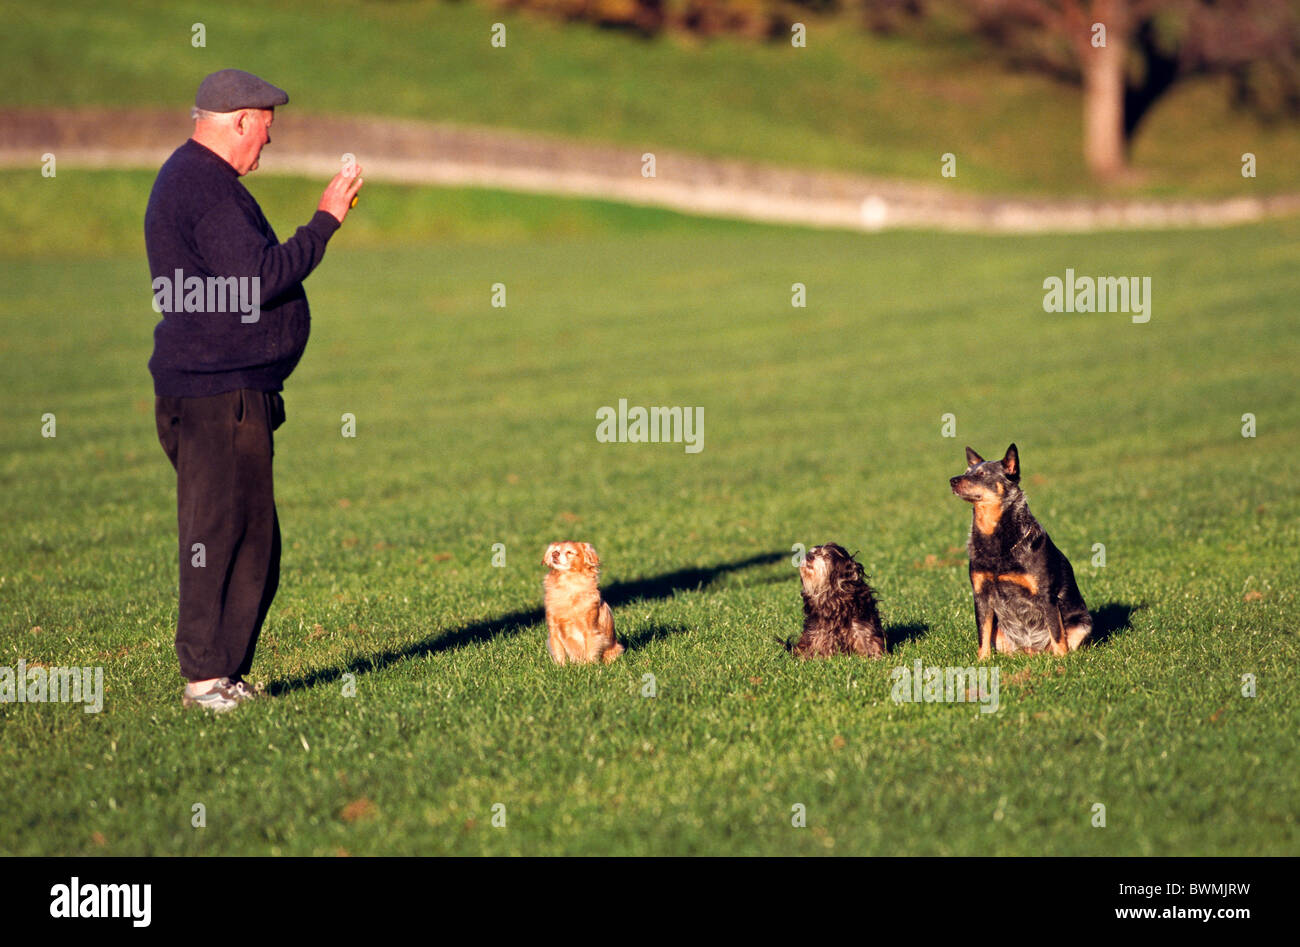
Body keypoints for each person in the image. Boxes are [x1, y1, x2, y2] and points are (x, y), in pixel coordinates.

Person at [144, 68, 364, 711]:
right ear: (239, 120)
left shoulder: (197, 179)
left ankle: (223, 676)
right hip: (217, 394)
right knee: (219, 532)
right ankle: (206, 681)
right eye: (265, 129)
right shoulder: (203, 186)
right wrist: (324, 222)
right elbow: (258, 276)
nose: (268, 141)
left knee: (252, 536)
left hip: (230, 389)